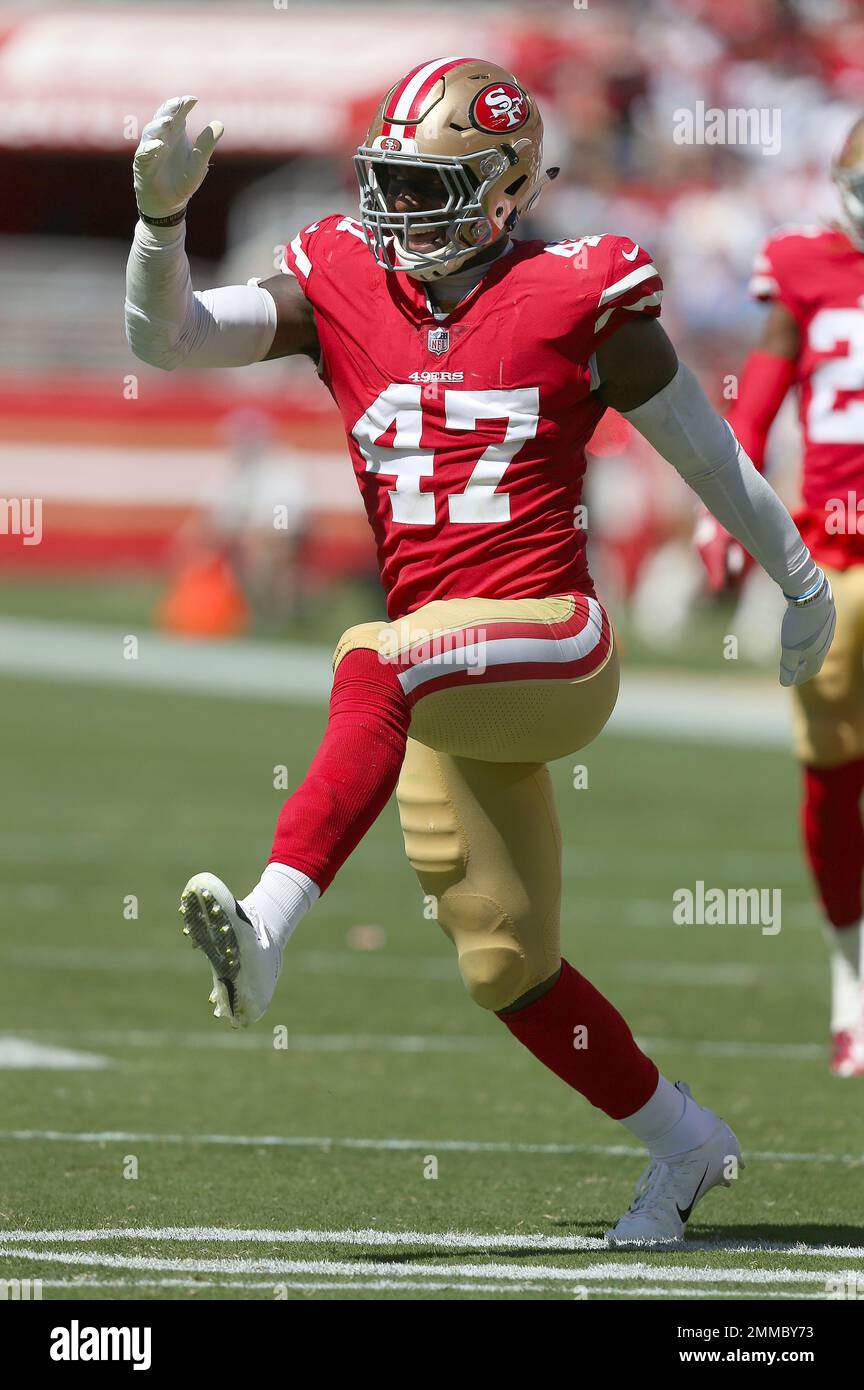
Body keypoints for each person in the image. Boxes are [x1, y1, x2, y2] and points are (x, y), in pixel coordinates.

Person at [125, 60, 835, 1242]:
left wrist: (801, 579)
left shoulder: (577, 292)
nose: (396, 209)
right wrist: (159, 220)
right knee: (507, 963)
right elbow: (172, 339)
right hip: (443, 677)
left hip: (552, 643)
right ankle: (687, 1142)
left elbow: (706, 453)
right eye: (387, 181)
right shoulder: (344, 281)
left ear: (505, 192)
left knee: (375, 654)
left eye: (427, 184)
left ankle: (264, 927)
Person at [698, 116, 864, 1077]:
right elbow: (754, 404)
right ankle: (851, 976)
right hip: (835, 558)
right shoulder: (803, 266)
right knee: (833, 769)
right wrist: (725, 510)